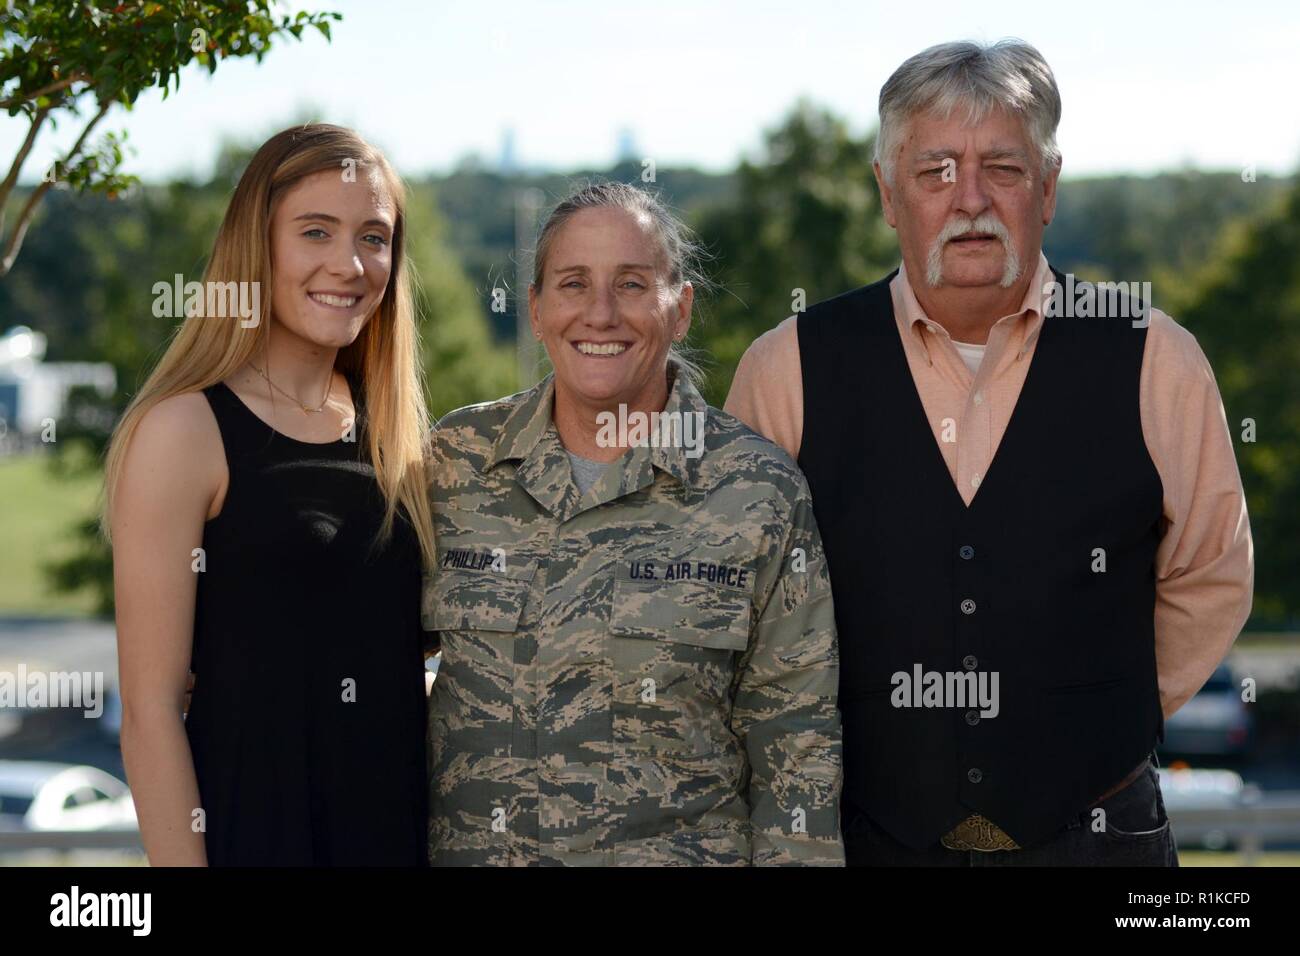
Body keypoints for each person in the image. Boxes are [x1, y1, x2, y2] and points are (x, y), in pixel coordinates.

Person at [725, 40, 1254, 866]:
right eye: (935, 169)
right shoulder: (785, 367)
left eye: (1001, 168)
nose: (968, 198)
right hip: (862, 836)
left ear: (1047, 187)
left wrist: (1094, 718)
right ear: (886, 192)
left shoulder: (1155, 356)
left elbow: (1211, 576)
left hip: (1100, 835)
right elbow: (746, 610)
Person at [422, 182, 843, 865]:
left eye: (631, 284)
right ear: (535, 308)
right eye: (572, 284)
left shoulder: (757, 492)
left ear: (680, 309)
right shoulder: (457, 463)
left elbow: (797, 744)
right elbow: (361, 656)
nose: (600, 313)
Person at [106, 124, 434, 866]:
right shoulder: (185, 430)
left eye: (374, 237)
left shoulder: (400, 439)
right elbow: (150, 715)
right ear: (258, 246)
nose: (348, 264)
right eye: (315, 231)